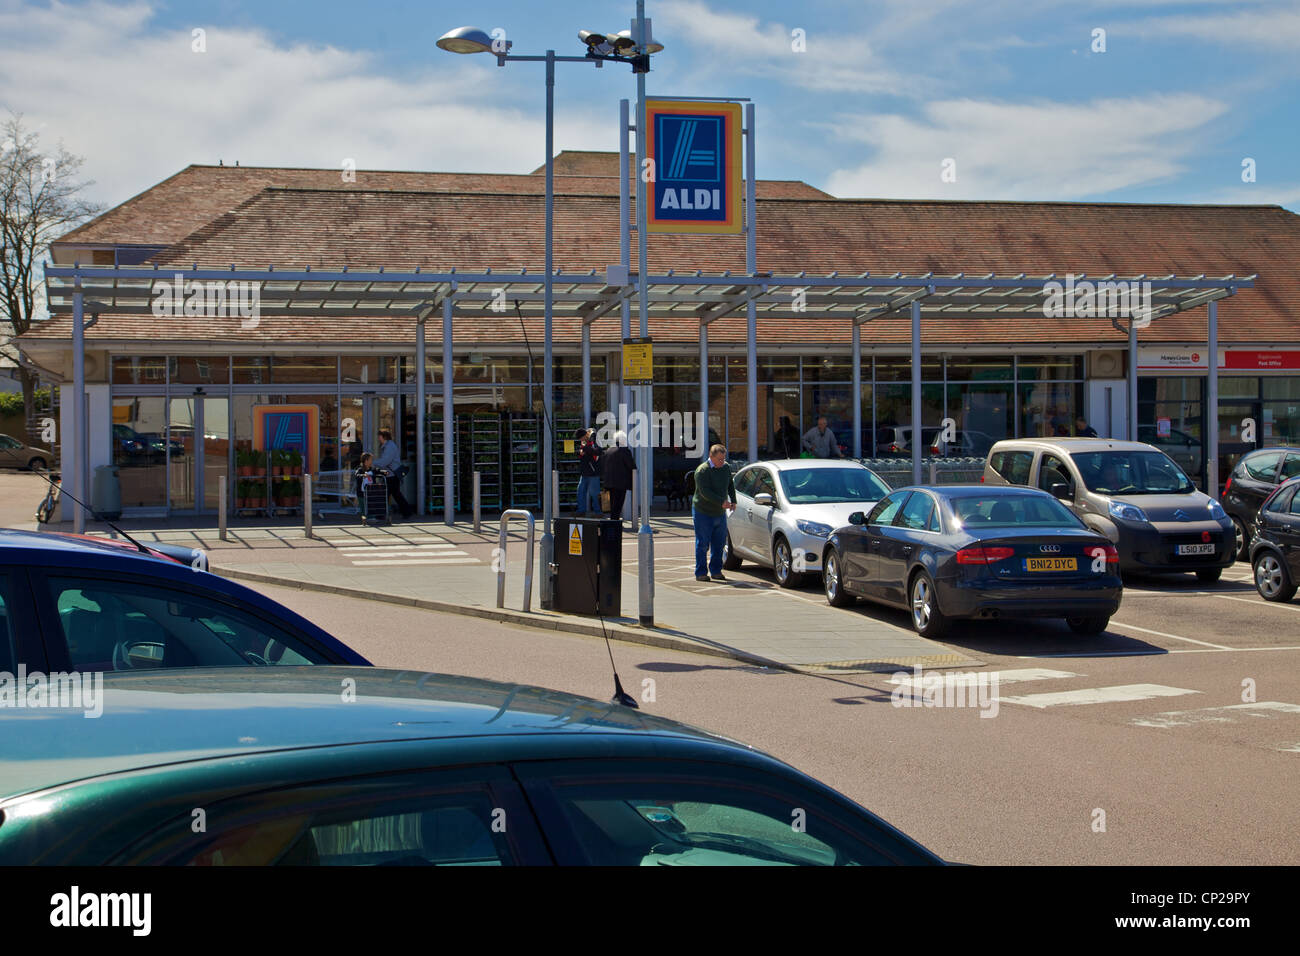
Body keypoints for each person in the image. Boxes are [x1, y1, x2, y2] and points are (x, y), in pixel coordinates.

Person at [692, 443, 736, 582]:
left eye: (723, 459)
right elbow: (705, 492)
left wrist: (733, 500)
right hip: (703, 512)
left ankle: (716, 571)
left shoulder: (725, 468)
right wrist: (721, 502)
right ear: (711, 456)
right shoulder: (702, 471)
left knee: (719, 543)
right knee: (703, 544)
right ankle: (701, 573)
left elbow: (730, 484)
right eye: (719, 459)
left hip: (719, 512)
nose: (722, 462)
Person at [373, 428, 413, 520]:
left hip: (391, 475)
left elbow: (386, 461)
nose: (378, 438)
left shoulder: (389, 446)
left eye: (379, 436)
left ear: (384, 437)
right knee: (395, 494)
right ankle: (407, 512)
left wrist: (373, 463)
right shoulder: (388, 446)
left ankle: (381, 514)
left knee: (386, 494)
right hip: (391, 474)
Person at [602, 430, 636, 525]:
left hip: (609, 482)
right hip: (621, 482)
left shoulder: (609, 450)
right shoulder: (624, 450)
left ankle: (613, 521)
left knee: (612, 503)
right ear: (623, 440)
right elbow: (631, 465)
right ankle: (615, 523)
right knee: (618, 503)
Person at [575, 427, 602, 516]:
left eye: (581, 438)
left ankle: (598, 512)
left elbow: (598, 451)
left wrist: (585, 449)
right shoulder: (584, 443)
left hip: (593, 473)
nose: (581, 440)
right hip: (585, 472)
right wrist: (579, 451)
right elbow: (580, 450)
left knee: (594, 494)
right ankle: (581, 510)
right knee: (580, 492)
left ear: (585, 435)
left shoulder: (594, 441)